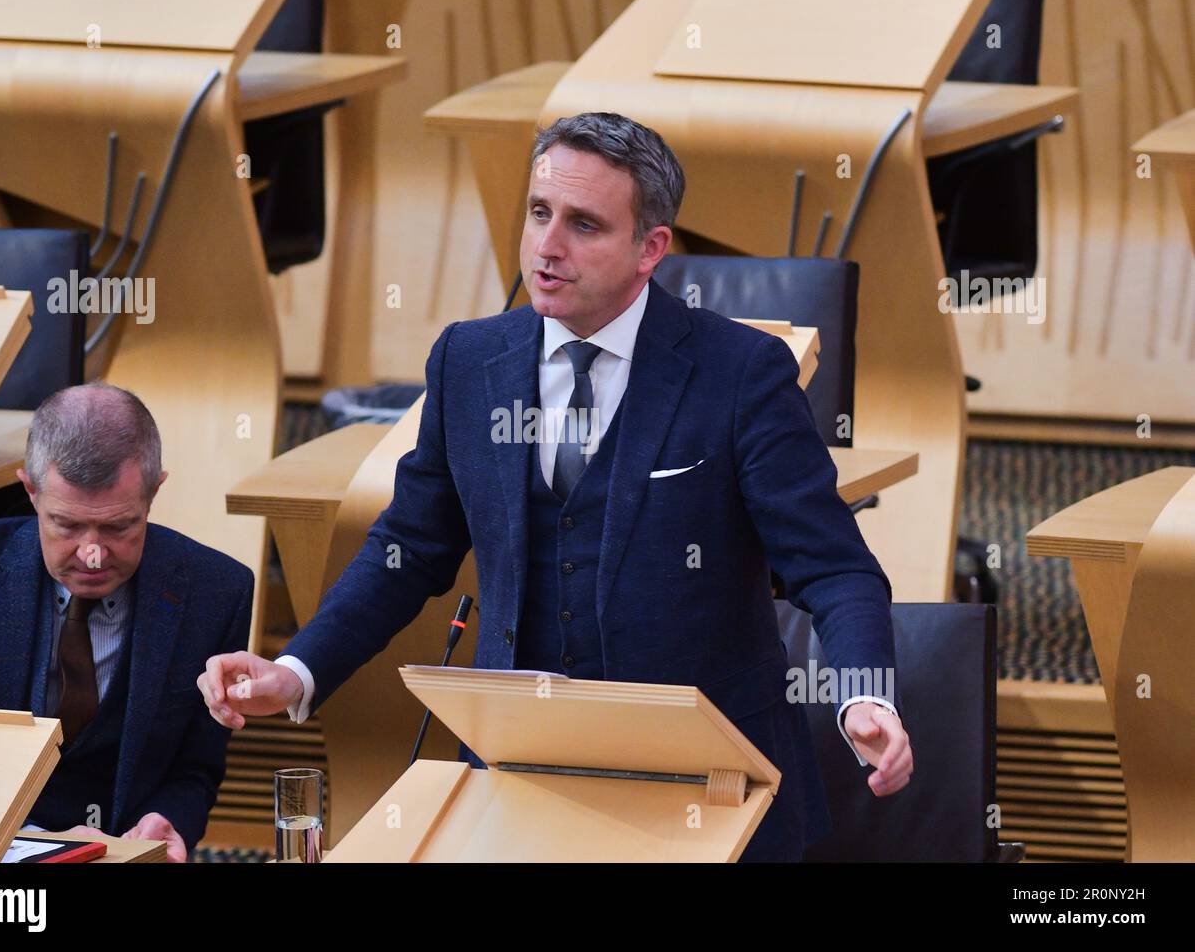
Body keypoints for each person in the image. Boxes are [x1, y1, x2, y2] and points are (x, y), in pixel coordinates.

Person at [200, 112, 913, 861]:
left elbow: (834, 568)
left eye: (584, 224)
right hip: (521, 775)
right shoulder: (468, 360)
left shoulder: (742, 373)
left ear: (650, 248)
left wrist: (864, 694)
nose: (548, 245)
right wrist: (295, 669)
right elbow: (407, 548)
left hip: (706, 785)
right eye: (539, 213)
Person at [0, 383, 252, 861]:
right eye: (66, 524)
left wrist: (170, 819)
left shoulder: (218, 592)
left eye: (118, 526)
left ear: (154, 492)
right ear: (30, 490)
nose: (91, 553)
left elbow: (195, 769)